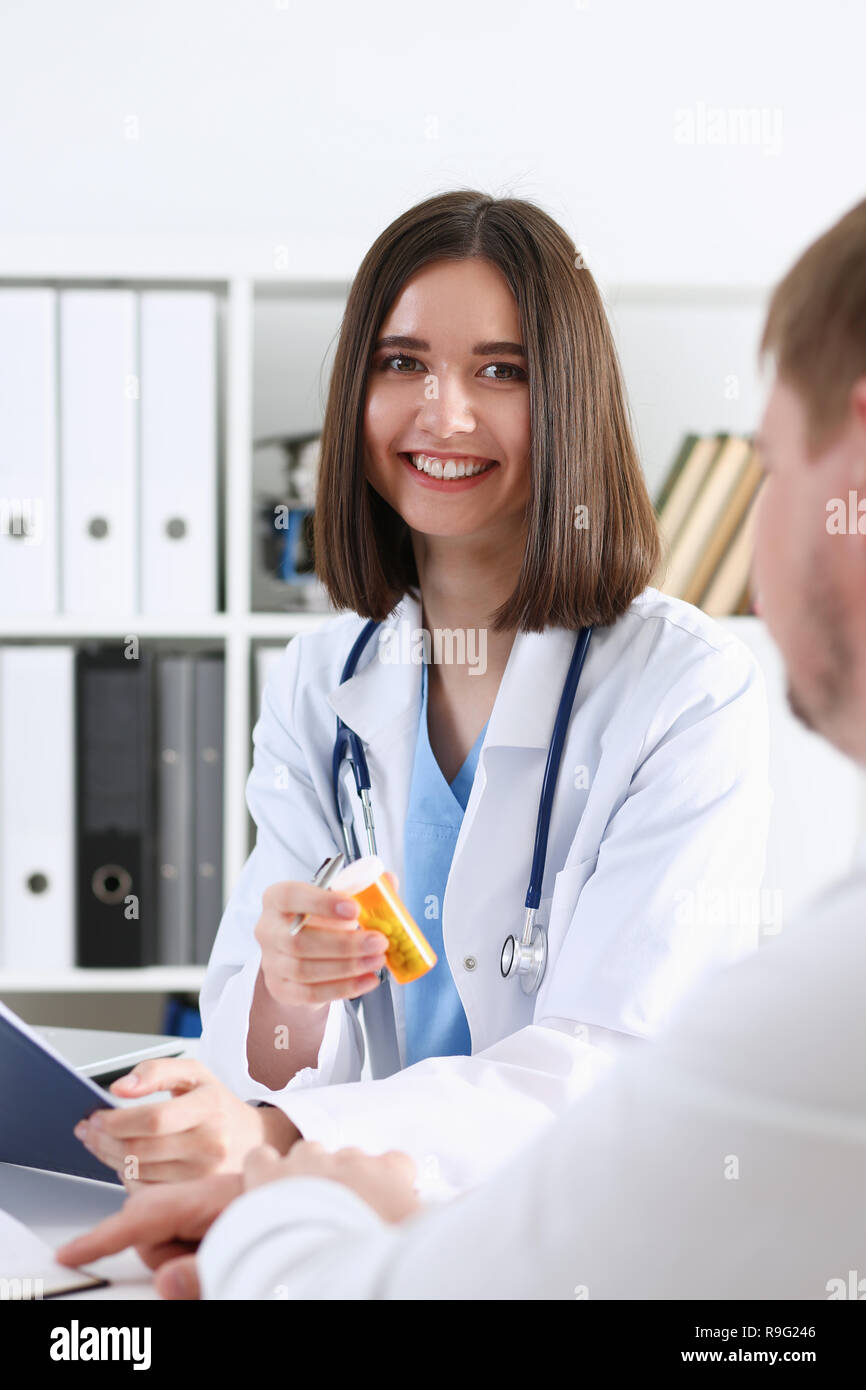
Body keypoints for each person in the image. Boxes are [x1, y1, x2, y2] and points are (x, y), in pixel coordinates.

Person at [57, 195, 866, 1300]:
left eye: (500, 370)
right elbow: (255, 1047)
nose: (441, 412)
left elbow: (599, 1064)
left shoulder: (681, 686)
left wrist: (280, 1140)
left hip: (558, 1244)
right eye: (402, 362)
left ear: (568, 398)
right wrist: (290, 995)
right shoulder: (322, 674)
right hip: (365, 1227)